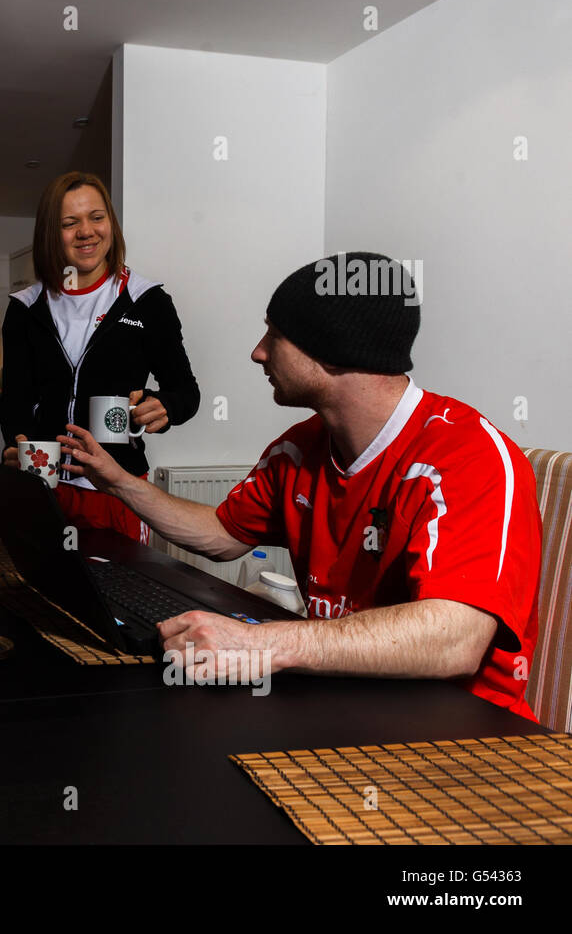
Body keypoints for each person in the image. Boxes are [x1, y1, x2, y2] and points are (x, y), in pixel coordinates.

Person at [59, 253, 541, 719]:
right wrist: (117, 482)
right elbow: (222, 536)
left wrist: (260, 642)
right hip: (344, 702)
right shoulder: (301, 446)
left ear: (334, 353)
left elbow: (455, 638)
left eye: (276, 334)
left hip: (462, 733)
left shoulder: (468, 457)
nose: (258, 351)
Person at [0, 172, 199, 544]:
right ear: (50, 233)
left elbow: (186, 391)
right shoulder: (25, 308)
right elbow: (14, 401)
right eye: (69, 223)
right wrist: (16, 444)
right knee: (43, 595)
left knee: (120, 596)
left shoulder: (147, 301)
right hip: (45, 486)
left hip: (117, 489)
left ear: (111, 222)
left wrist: (164, 405)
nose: (86, 231)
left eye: (96, 217)